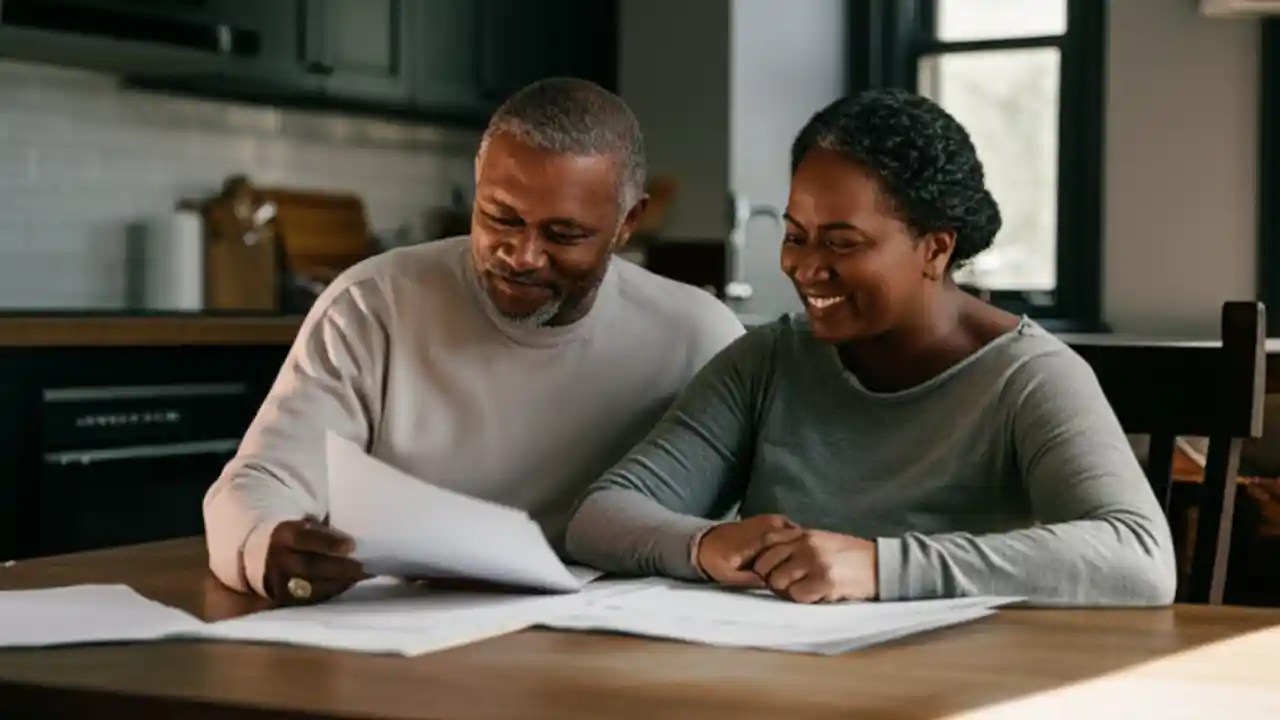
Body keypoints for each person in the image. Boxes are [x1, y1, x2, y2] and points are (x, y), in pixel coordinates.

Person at [565, 90, 1177, 607]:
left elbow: (1140, 559)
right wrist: (703, 545)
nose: (806, 268)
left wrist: (880, 568)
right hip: (783, 678)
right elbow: (601, 517)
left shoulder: (1028, 378)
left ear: (935, 249)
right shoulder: (770, 360)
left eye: (843, 242)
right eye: (797, 236)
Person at [203, 78, 745, 605]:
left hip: (616, 651)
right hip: (404, 637)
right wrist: (264, 544)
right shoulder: (372, 307)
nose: (522, 255)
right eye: (500, 218)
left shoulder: (699, 336)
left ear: (629, 222)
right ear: (477, 183)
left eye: (562, 235)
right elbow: (261, 480)